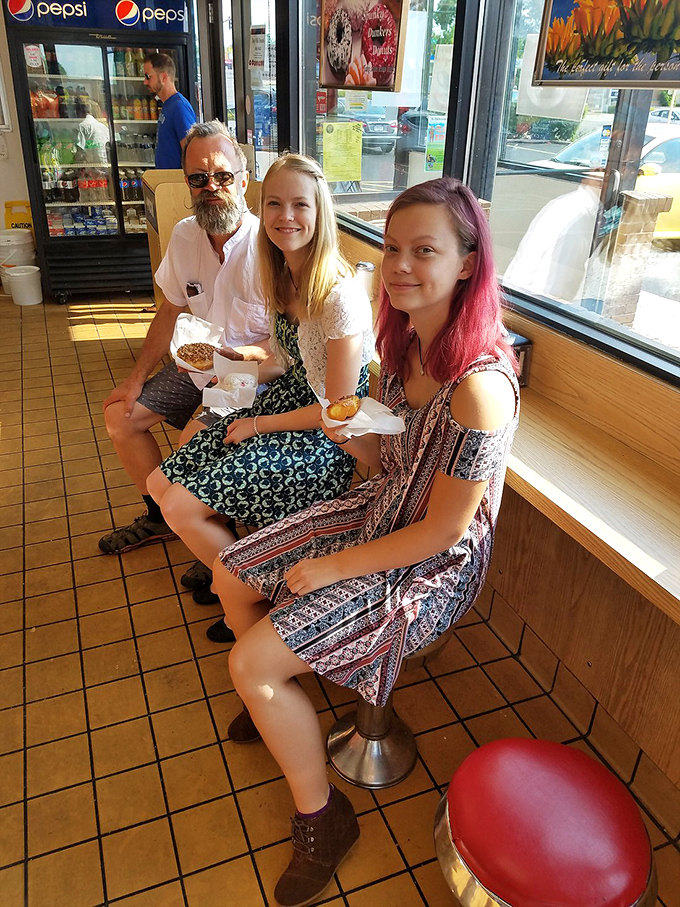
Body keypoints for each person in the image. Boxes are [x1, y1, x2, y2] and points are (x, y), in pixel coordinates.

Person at [209, 177, 520, 907]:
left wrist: (328, 567)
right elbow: (388, 461)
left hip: (433, 562)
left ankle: (325, 817)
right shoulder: (406, 342)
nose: (401, 265)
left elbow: (444, 528)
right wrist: (359, 439)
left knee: (249, 665)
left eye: (425, 250)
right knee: (229, 573)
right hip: (382, 507)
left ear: (469, 262)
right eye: (392, 248)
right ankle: (285, 696)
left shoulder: (480, 387)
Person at [145, 153, 375, 637]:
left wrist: (254, 422)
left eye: (300, 205)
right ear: (260, 205)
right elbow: (281, 361)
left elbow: (340, 411)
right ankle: (242, 578)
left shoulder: (338, 294)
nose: (285, 216)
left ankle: (255, 593)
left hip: (321, 436)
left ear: (320, 212)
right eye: (275, 203)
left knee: (181, 504)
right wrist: (229, 365)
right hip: (285, 396)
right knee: (160, 484)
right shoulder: (282, 274)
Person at [99, 121, 269, 596]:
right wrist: (136, 378)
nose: (210, 188)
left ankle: (217, 540)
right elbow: (170, 309)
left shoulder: (268, 246)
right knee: (121, 415)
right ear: (187, 183)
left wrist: (232, 369)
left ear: (243, 176)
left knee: (197, 438)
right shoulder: (184, 235)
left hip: (247, 374)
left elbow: (284, 346)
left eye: (221, 176)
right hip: (193, 364)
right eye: (198, 178)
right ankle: (161, 519)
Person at [143, 52, 196, 170]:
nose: (145, 82)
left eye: (148, 76)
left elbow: (191, 152)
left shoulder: (179, 107)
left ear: (164, 77)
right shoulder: (168, 105)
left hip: (175, 184)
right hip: (166, 182)